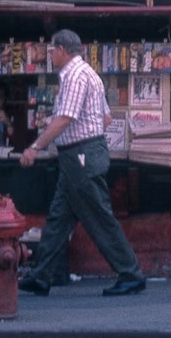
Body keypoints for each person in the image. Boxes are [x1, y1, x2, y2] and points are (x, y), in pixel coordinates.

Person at [18, 30, 145, 298]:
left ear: (63, 49)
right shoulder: (89, 73)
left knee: (98, 217)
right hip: (81, 154)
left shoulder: (73, 77)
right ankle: (41, 275)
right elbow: (106, 119)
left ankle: (131, 273)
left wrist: (35, 146)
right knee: (58, 218)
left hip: (80, 156)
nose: (50, 55)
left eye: (52, 50)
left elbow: (65, 119)